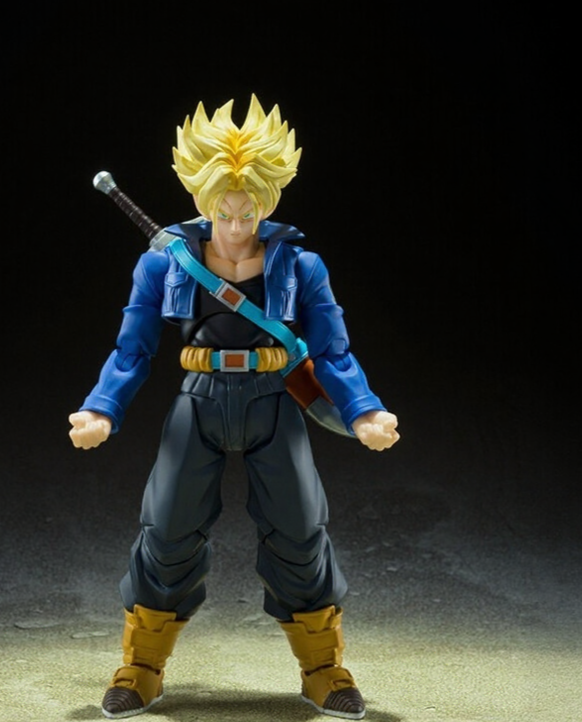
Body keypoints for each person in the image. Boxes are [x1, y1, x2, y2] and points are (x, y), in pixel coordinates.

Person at [69, 94, 399, 720]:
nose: (236, 220)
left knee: (301, 529)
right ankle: (141, 667)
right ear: (202, 196)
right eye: (224, 207)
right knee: (166, 528)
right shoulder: (164, 262)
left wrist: (364, 412)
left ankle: (323, 667)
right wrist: (101, 409)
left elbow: (332, 352)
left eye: (249, 207)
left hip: (274, 400)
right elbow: (132, 349)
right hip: (199, 400)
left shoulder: (301, 265)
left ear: (269, 199)